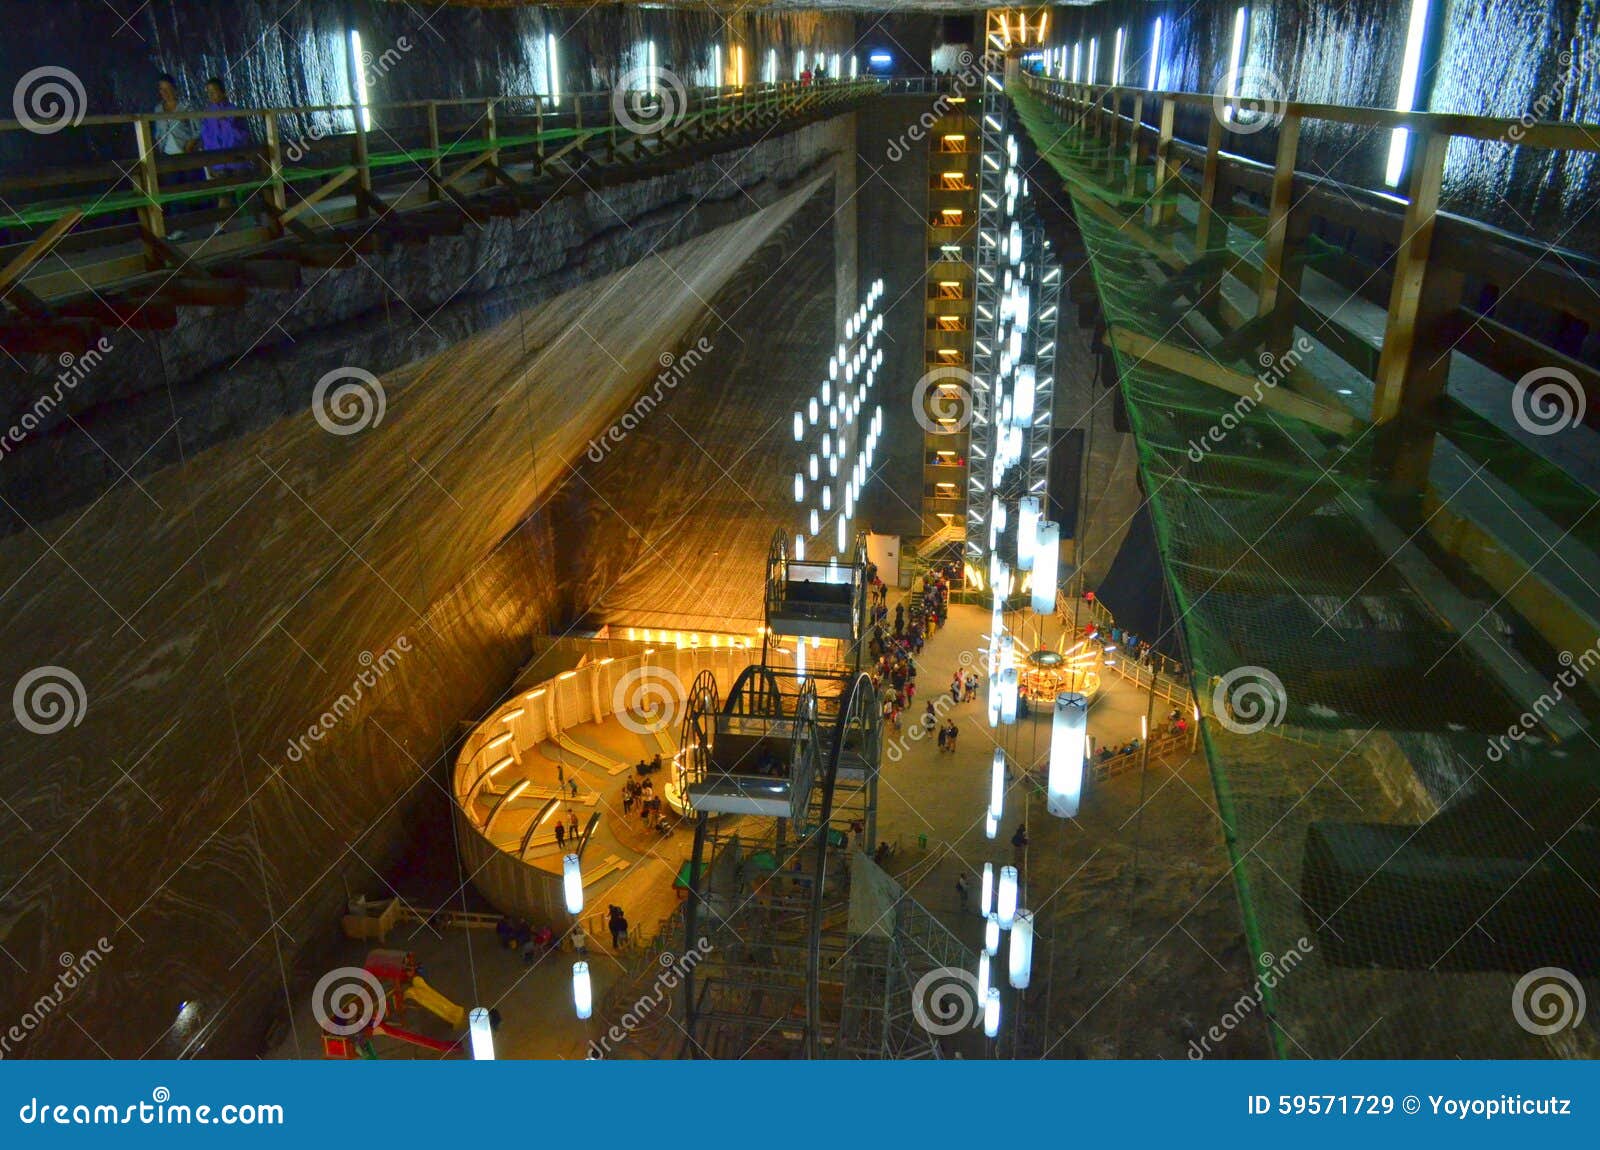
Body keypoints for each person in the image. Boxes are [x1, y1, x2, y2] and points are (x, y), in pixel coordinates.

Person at [199, 77, 253, 232]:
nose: (212, 95)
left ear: (223, 92)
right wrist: (209, 163)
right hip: (219, 162)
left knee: (245, 192)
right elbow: (207, 140)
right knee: (224, 194)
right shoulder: (208, 115)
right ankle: (221, 225)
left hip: (237, 161)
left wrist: (228, 122)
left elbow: (243, 136)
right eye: (209, 92)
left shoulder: (235, 111)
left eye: (214, 91)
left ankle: (256, 221)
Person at [151, 74, 200, 237]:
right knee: (171, 191)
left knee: (184, 190)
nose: (163, 92)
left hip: (184, 154)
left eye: (166, 88)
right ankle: (177, 227)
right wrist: (158, 145)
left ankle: (184, 226)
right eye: (160, 89)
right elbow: (158, 131)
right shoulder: (158, 109)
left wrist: (191, 144)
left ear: (174, 88)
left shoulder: (186, 106)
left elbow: (198, 129)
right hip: (167, 154)